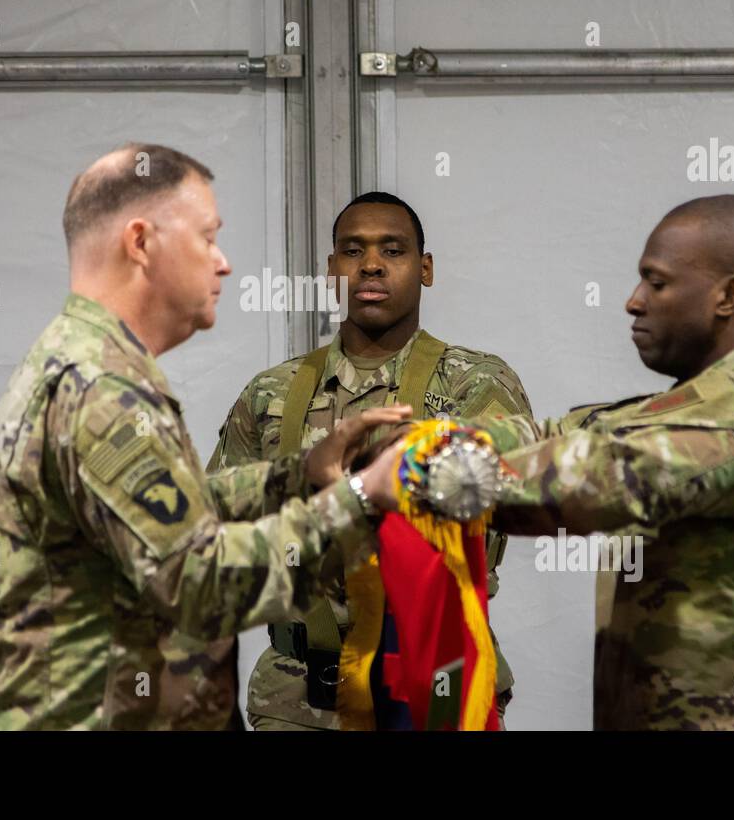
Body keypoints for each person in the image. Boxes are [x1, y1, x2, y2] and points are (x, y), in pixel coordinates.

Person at [0, 143, 407, 730]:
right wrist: (357, 499)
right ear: (141, 243)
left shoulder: (85, 364)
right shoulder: (101, 389)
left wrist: (297, 475)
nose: (223, 262)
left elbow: (169, 522)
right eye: (206, 237)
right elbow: (200, 581)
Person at [393, 194, 734, 729]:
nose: (634, 302)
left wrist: (409, 473)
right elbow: (555, 434)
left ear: (728, 295)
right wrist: (415, 440)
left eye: (657, 283)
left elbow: (594, 480)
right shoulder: (694, 407)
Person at [208, 192, 532, 730]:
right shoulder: (272, 394)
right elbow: (219, 534)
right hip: (296, 696)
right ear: (332, 270)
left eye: (393, 250)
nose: (372, 265)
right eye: (353, 251)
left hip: (434, 682)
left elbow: (495, 522)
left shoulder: (474, 385)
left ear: (424, 269)